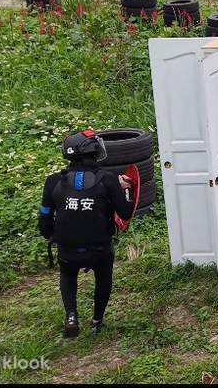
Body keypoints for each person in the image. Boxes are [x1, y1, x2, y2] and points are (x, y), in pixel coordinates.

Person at [38, 130, 137, 338]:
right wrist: (126, 189)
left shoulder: (53, 181)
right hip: (99, 249)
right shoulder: (108, 180)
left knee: (67, 273)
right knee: (103, 277)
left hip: (68, 250)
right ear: (91, 151)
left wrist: (53, 236)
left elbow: (44, 221)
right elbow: (126, 212)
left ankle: (71, 316)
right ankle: (97, 321)